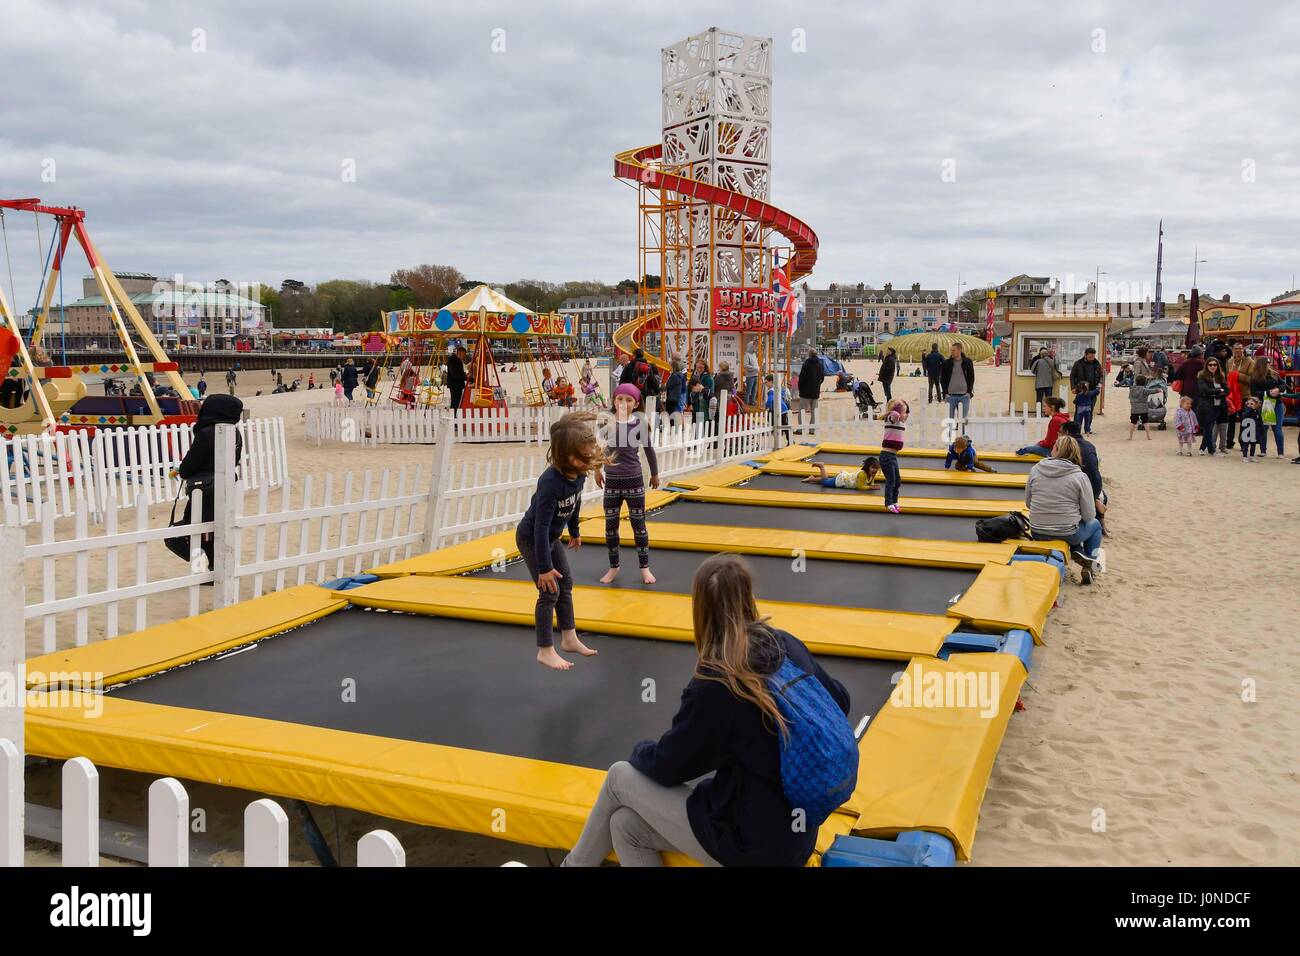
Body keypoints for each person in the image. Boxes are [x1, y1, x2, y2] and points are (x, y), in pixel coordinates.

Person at [562, 554, 853, 868]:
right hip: (798, 833)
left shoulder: (717, 683)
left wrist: (641, 750)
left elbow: (669, 766)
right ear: (748, 598)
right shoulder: (785, 644)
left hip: (752, 845)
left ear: (700, 611)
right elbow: (841, 700)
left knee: (619, 776)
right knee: (626, 826)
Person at [515, 413, 604, 671]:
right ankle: (545, 649)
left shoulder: (578, 473)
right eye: (584, 457)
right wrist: (543, 568)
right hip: (532, 539)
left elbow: (574, 504)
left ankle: (569, 637)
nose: (589, 461)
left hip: (552, 537)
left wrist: (574, 530)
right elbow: (540, 527)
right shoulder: (550, 483)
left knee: (566, 582)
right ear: (566, 456)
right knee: (549, 590)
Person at [169, 394, 244, 572]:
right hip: (225, 487)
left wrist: (182, 470)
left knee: (197, 530)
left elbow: (190, 464)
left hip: (204, 490)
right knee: (219, 530)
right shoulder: (235, 432)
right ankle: (219, 567)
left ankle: (200, 570)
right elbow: (234, 460)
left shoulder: (206, 432)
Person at [596, 384, 660, 585]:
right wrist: (597, 470)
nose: (623, 403)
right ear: (614, 400)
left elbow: (649, 450)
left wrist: (655, 474)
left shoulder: (639, 424)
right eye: (620, 399)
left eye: (629, 400)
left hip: (634, 480)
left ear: (636, 403)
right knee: (610, 527)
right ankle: (614, 566)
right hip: (612, 481)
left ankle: (645, 568)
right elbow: (599, 448)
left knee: (638, 526)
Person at [1024, 435, 1104, 584]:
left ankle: (1078, 552)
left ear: (1054, 450)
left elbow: (1028, 503)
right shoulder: (1079, 476)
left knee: (1067, 524)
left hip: (1038, 530)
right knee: (1095, 525)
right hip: (1067, 531)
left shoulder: (1035, 470)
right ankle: (1090, 562)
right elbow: (1089, 515)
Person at [1059, 421, 1107, 535]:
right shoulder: (1090, 446)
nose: (1058, 435)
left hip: (1078, 489)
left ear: (1066, 433)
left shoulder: (1066, 448)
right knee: (1103, 497)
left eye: (1059, 432)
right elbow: (1095, 474)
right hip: (1095, 486)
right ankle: (1102, 523)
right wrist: (1095, 497)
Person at [1250, 356, 1286, 457]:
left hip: (1277, 404)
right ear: (1262, 364)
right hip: (1264, 404)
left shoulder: (1274, 374)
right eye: (1268, 362)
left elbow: (1283, 385)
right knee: (1263, 428)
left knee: (1277, 428)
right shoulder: (1255, 377)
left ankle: (1280, 452)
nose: (1270, 364)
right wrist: (1269, 392)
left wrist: (1278, 390)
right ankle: (1263, 451)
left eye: (1270, 362)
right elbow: (1254, 392)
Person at [879, 398, 908, 514]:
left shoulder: (900, 422)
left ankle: (895, 502)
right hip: (886, 456)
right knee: (891, 481)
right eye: (903, 412)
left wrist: (904, 407)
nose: (905, 415)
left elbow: (905, 414)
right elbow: (895, 414)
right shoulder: (892, 419)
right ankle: (889, 503)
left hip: (892, 456)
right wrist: (895, 408)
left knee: (898, 481)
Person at [1195, 357, 1227, 455]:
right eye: (1210, 365)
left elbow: (1226, 390)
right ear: (1206, 366)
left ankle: (1204, 448)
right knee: (1209, 428)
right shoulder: (1202, 377)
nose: (1213, 367)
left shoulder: (1220, 376)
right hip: (1207, 406)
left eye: (1215, 365)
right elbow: (1204, 390)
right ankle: (1211, 450)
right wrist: (1218, 391)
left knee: (1211, 427)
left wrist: (1220, 392)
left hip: (1218, 405)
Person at [940, 343, 975, 420]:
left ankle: (964, 432)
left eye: (953, 350)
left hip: (964, 396)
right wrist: (945, 393)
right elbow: (942, 380)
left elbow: (971, 378)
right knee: (950, 421)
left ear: (959, 350)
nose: (951, 352)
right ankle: (950, 432)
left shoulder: (968, 362)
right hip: (950, 396)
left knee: (963, 420)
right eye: (951, 350)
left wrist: (969, 392)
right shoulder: (946, 363)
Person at [801, 456, 881, 489]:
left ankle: (812, 479)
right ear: (868, 467)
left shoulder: (872, 475)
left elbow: (870, 483)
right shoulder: (863, 474)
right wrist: (871, 487)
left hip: (846, 478)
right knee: (825, 482)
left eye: (876, 468)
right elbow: (860, 487)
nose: (875, 470)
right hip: (842, 480)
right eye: (873, 467)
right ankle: (821, 466)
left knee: (828, 480)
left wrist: (873, 485)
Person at [796, 347, 824, 428]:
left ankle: (801, 428)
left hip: (805, 392)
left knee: (802, 411)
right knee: (814, 412)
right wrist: (817, 385)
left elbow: (802, 378)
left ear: (809, 354)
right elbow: (822, 378)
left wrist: (800, 387)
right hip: (815, 391)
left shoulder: (806, 364)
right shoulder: (820, 364)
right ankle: (812, 429)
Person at [1128, 375, 1161, 440]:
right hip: (1143, 408)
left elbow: (1129, 397)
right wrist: (1158, 390)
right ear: (1145, 382)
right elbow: (1151, 391)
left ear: (1136, 382)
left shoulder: (1132, 389)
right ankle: (1148, 436)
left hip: (1134, 408)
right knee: (1145, 422)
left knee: (1133, 422)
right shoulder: (1144, 390)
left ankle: (1130, 436)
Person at [1238, 396, 1263, 461]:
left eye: (1252, 404)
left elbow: (1260, 421)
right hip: (1247, 431)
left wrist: (1261, 431)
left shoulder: (1257, 411)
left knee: (1253, 444)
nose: (1249, 405)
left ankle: (1252, 456)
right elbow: (1244, 416)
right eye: (1248, 403)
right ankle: (1245, 457)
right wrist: (1250, 409)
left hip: (1254, 431)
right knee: (1245, 444)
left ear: (1256, 404)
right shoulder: (1246, 411)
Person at [743, 341, 760, 406]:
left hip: (756, 375)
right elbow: (745, 365)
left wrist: (757, 367)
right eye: (754, 346)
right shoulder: (747, 355)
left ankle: (752, 403)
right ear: (751, 346)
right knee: (748, 391)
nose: (755, 347)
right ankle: (746, 404)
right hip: (750, 376)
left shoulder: (754, 354)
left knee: (754, 391)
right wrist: (755, 368)